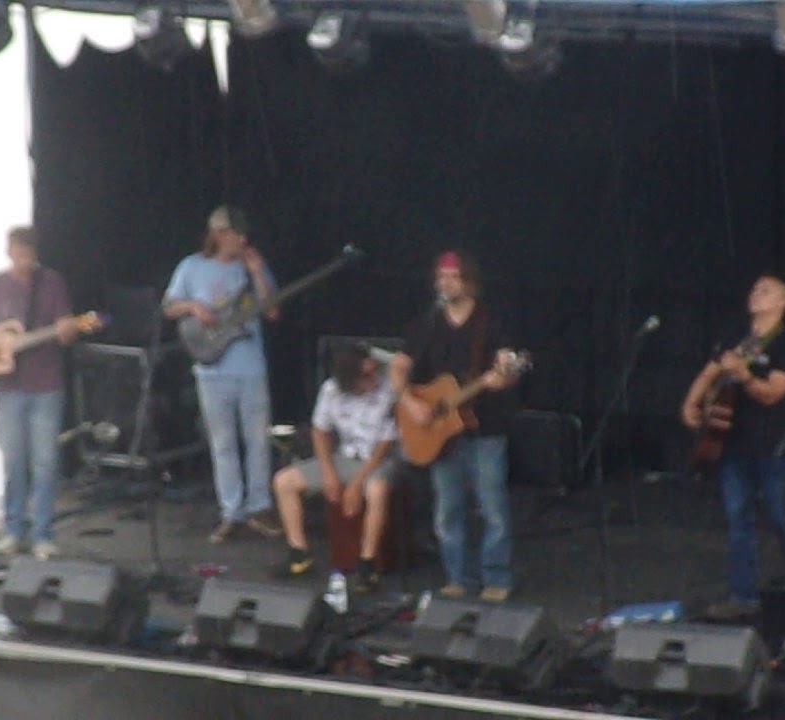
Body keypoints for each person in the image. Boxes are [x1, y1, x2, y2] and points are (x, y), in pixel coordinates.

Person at [389, 250, 520, 603]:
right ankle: (458, 578)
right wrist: (410, 402)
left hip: (485, 428)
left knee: (492, 507)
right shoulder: (428, 323)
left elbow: (506, 367)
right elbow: (398, 367)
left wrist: (502, 377)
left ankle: (496, 578)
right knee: (448, 509)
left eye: (452, 276)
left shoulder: (490, 323)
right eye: (441, 277)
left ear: (469, 281)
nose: (443, 283)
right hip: (441, 433)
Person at [679, 274, 785, 619]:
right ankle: (743, 594)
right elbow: (711, 370)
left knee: (780, 515)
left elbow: (772, 394)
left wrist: (745, 375)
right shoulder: (739, 337)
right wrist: (691, 403)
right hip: (732, 440)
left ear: (783, 301)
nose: (756, 294)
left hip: (771, 444)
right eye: (754, 289)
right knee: (738, 518)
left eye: (765, 291)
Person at [0, 226, 80, 561]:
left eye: (30, 254)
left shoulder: (51, 283)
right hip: (9, 387)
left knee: (46, 461)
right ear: (9, 252)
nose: (25, 261)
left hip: (46, 385)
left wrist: (68, 330)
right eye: (19, 254)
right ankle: (13, 530)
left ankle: (43, 534)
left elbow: (66, 330)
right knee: (13, 461)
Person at [162, 205, 283, 544]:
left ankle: (259, 507)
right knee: (223, 443)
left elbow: (272, 311)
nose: (242, 239)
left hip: (251, 369)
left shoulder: (250, 266)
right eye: (234, 233)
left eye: (244, 234)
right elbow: (169, 307)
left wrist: (258, 273)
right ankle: (231, 511)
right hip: (211, 369)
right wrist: (193, 307)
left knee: (258, 440)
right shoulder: (191, 267)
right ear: (217, 234)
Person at [272, 343, 398, 593]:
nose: (373, 379)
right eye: (365, 376)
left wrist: (355, 485)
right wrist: (328, 473)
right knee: (283, 481)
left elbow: (384, 446)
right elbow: (320, 431)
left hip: (377, 460)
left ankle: (367, 563)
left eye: (373, 372)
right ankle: (299, 553)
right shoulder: (331, 390)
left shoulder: (388, 390)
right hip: (345, 456)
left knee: (376, 490)